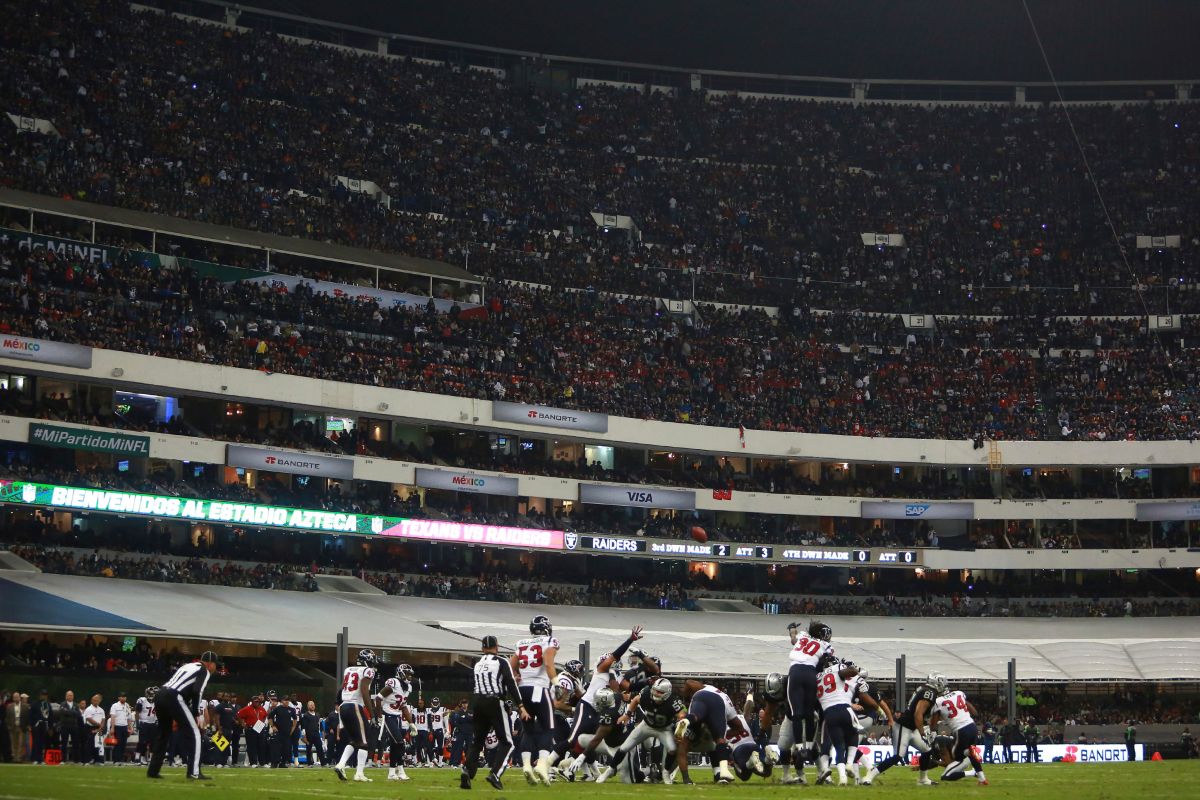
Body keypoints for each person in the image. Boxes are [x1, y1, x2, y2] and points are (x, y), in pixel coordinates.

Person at [554, 627, 644, 780]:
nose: (614, 664)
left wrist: (649, 681)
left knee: (598, 739)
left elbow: (630, 687)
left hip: (601, 711)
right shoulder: (602, 669)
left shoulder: (615, 678)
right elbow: (615, 656)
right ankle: (554, 766)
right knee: (576, 739)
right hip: (591, 708)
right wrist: (630, 640)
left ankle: (589, 770)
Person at [460, 634, 530, 791]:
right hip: (494, 702)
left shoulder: (478, 664)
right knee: (508, 742)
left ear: (482, 648)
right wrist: (521, 705)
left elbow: (491, 682)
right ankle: (495, 773)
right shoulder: (501, 661)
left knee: (477, 741)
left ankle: (467, 771)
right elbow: (510, 683)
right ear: (497, 646)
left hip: (477, 702)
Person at [596, 677, 685, 784]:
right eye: (655, 690)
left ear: (667, 693)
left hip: (663, 729)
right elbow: (636, 700)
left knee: (672, 749)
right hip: (646, 725)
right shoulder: (647, 693)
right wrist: (627, 715)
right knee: (624, 747)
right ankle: (609, 770)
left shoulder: (673, 701)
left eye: (660, 692)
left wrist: (680, 729)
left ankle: (665, 773)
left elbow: (682, 715)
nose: (656, 694)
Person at [146, 651, 218, 780]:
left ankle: (153, 770)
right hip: (174, 696)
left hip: (161, 694)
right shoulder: (204, 670)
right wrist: (196, 713)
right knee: (195, 733)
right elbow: (197, 691)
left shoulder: (187, 666)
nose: (215, 668)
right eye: (215, 664)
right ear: (210, 663)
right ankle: (194, 772)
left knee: (163, 734)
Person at [862, 673, 941, 786]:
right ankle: (870, 775)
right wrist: (922, 732)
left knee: (927, 750)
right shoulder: (929, 693)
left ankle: (923, 779)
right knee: (898, 756)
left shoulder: (924, 689)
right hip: (903, 727)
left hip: (912, 728)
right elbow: (918, 714)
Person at [511, 614, 559, 784]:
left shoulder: (521, 643)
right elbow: (548, 663)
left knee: (528, 730)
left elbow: (512, 666)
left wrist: (517, 676)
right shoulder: (550, 641)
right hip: (539, 688)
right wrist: (556, 682)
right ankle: (541, 765)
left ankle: (525, 765)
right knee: (548, 728)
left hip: (522, 689)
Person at [785, 620, 834, 775]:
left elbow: (793, 639)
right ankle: (809, 746)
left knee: (796, 714)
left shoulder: (803, 636)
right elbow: (827, 660)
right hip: (811, 674)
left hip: (796, 672)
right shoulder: (826, 645)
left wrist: (792, 629)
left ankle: (800, 749)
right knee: (809, 714)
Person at [674, 680, 742, 784]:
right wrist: (723, 739)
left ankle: (685, 720)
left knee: (694, 720)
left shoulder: (707, 688)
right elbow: (739, 727)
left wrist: (685, 695)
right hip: (718, 704)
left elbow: (688, 682)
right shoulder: (727, 702)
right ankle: (724, 771)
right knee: (720, 739)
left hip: (701, 699)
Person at [812, 654, 860, 786]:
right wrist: (852, 669)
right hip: (845, 708)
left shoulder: (816, 677)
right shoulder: (838, 668)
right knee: (853, 735)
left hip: (829, 713)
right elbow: (853, 672)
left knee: (839, 747)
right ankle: (849, 763)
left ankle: (843, 777)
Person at [332, 649, 378, 782]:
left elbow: (341, 690)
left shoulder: (349, 670)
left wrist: (338, 704)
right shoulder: (368, 671)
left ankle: (341, 765)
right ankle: (359, 773)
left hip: (344, 706)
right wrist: (372, 713)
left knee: (355, 740)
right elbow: (364, 692)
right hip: (354, 706)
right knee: (364, 741)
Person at [930, 684, 988, 785]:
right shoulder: (958, 693)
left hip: (961, 730)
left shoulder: (938, 701)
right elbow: (974, 712)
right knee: (968, 751)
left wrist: (935, 727)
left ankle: (972, 770)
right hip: (972, 726)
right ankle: (982, 779)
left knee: (955, 756)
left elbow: (933, 725)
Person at [380, 664, 413, 781]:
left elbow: (403, 706)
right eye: (408, 674)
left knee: (395, 744)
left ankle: (392, 773)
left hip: (397, 716)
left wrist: (411, 723)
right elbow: (378, 698)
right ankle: (401, 770)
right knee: (399, 742)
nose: (410, 677)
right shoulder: (393, 682)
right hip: (387, 715)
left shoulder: (408, 688)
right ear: (401, 673)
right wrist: (378, 716)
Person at [268, 694, 296, 768]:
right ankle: (274, 763)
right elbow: (270, 717)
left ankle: (283, 763)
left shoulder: (292, 709)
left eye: (288, 700)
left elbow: (295, 720)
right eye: (285, 700)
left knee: (286, 749)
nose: (287, 701)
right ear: (282, 701)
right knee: (276, 749)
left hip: (287, 733)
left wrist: (292, 729)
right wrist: (273, 726)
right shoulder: (277, 708)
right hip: (278, 732)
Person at [236, 695, 265, 767]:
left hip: (259, 728)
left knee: (261, 746)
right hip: (250, 729)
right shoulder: (247, 708)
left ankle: (262, 763)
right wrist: (243, 723)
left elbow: (265, 716)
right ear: (252, 702)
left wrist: (262, 723)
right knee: (252, 746)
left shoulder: (261, 709)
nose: (257, 703)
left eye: (258, 702)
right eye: (255, 702)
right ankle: (253, 763)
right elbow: (239, 715)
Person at [56, 690, 83, 764]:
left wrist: (68, 712)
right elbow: (62, 712)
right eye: (68, 695)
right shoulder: (62, 704)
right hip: (64, 726)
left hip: (74, 726)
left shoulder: (76, 705)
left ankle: (76, 760)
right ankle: (63, 760)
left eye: (71, 695)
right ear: (66, 696)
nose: (70, 696)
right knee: (64, 743)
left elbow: (78, 715)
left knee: (76, 743)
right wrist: (72, 712)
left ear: (73, 696)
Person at [134, 687, 158, 766]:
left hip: (153, 723)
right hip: (144, 723)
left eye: (152, 694)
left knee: (152, 742)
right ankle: (137, 757)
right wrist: (137, 723)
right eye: (150, 694)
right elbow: (137, 712)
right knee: (142, 741)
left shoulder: (157, 701)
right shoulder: (142, 700)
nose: (151, 695)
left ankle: (149, 758)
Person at [300, 700, 327, 768]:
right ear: (308, 706)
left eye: (313, 704)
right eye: (310, 705)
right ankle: (309, 763)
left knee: (320, 749)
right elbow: (303, 727)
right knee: (308, 749)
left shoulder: (318, 715)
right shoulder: (305, 715)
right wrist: (304, 737)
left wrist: (323, 738)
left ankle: (323, 763)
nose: (312, 706)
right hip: (309, 735)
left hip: (316, 735)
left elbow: (320, 727)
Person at [447, 698, 473, 770]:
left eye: (466, 703)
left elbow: (473, 720)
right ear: (461, 704)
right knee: (458, 748)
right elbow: (456, 722)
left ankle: (468, 764)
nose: (464, 705)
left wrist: (465, 718)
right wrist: (467, 719)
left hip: (469, 733)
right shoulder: (458, 712)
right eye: (463, 703)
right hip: (460, 732)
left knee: (469, 749)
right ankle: (455, 763)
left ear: (467, 704)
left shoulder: (471, 712)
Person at [108, 691, 132, 763]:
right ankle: (116, 760)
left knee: (123, 743)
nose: (123, 698)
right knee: (117, 743)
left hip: (124, 727)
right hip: (117, 726)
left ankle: (121, 759)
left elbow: (129, 717)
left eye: (124, 697)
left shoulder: (127, 705)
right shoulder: (115, 705)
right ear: (119, 698)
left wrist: (130, 727)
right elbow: (113, 717)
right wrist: (112, 728)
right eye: (122, 696)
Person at [30, 689, 52, 765]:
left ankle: (41, 759)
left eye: (45, 695)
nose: (44, 696)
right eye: (43, 695)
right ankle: (35, 759)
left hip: (44, 725)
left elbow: (50, 716)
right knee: (36, 742)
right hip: (37, 724)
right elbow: (30, 715)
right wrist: (31, 725)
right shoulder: (35, 704)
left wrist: (50, 727)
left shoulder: (48, 705)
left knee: (42, 743)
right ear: (40, 695)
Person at [83, 694, 106, 764]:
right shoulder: (88, 709)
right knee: (90, 744)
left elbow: (103, 719)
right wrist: (98, 725)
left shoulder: (101, 710)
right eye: (93, 700)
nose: (94, 701)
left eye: (96, 700)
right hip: (90, 728)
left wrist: (100, 727)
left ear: (99, 701)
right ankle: (88, 760)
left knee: (98, 744)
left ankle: (98, 760)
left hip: (99, 728)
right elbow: (89, 719)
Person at [428, 697, 447, 767]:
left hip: (439, 730)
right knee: (430, 747)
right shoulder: (428, 710)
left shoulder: (442, 709)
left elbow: (446, 720)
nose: (435, 704)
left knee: (440, 747)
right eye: (434, 702)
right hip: (432, 731)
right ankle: (431, 761)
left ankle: (440, 762)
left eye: (436, 702)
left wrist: (447, 730)